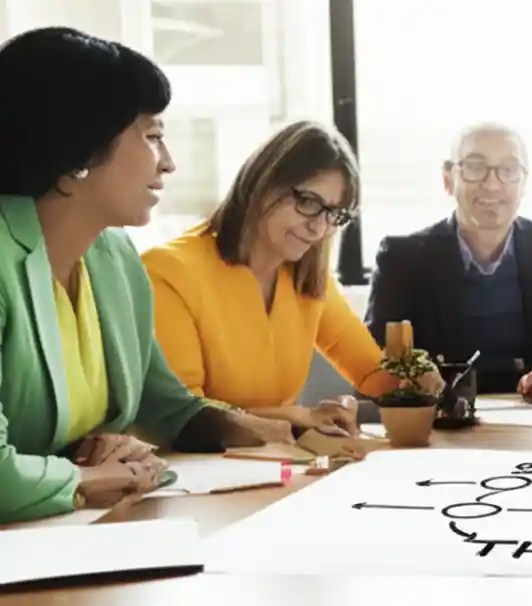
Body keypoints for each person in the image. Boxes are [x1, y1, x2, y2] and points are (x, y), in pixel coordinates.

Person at [0, 28, 287, 524]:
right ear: (80, 152)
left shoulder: (113, 256)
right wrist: (82, 478)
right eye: (152, 136)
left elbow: (165, 406)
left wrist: (275, 432)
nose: (169, 163)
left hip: (68, 537)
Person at [144, 121, 410, 437]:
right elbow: (184, 415)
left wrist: (424, 379)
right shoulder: (169, 272)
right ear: (262, 184)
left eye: (333, 214)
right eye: (308, 203)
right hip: (197, 471)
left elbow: (373, 374)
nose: (319, 228)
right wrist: (293, 417)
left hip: (280, 465)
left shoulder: (308, 279)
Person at [365, 123, 532, 403]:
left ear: (524, 183)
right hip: (440, 422)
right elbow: (372, 362)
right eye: (475, 167)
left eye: (508, 170)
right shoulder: (403, 258)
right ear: (448, 179)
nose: (493, 185)